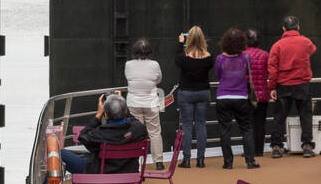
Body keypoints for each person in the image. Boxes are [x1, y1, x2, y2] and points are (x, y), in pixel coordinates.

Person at [59, 93, 149, 174]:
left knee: (60, 153)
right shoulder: (138, 129)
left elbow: (83, 136)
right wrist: (121, 105)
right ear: (125, 111)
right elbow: (133, 120)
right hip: (128, 173)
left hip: (101, 174)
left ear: (105, 115)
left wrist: (98, 115)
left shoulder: (101, 133)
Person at [267, 16, 318, 158]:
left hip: (283, 85)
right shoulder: (306, 42)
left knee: (279, 117)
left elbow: (272, 68)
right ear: (298, 27)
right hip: (302, 84)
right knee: (305, 116)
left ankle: (277, 147)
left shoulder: (277, 45)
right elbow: (312, 50)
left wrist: (272, 87)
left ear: (283, 28)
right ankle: (307, 146)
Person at [214, 28, 260, 170]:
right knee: (246, 129)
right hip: (241, 96)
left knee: (224, 130)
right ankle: (250, 161)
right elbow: (247, 72)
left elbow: (218, 75)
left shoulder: (220, 59)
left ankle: (228, 162)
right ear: (242, 42)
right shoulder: (246, 58)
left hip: (223, 96)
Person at [175, 26, 214, 168]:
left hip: (186, 93)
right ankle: (201, 159)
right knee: (201, 124)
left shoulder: (184, 58)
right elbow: (207, 60)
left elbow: (177, 60)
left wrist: (180, 43)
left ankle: (186, 159)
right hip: (203, 92)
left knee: (186, 125)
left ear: (188, 38)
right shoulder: (209, 57)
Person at [124, 38, 165, 170]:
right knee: (155, 132)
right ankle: (158, 161)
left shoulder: (128, 65)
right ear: (149, 51)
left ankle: (137, 162)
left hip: (133, 103)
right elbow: (158, 79)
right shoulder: (155, 64)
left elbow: (128, 78)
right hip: (151, 102)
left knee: (135, 132)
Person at [243, 29, 271, 160]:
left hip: (246, 94)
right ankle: (259, 150)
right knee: (260, 123)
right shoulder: (265, 54)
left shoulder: (242, 55)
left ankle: (249, 150)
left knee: (247, 123)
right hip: (262, 94)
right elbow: (270, 72)